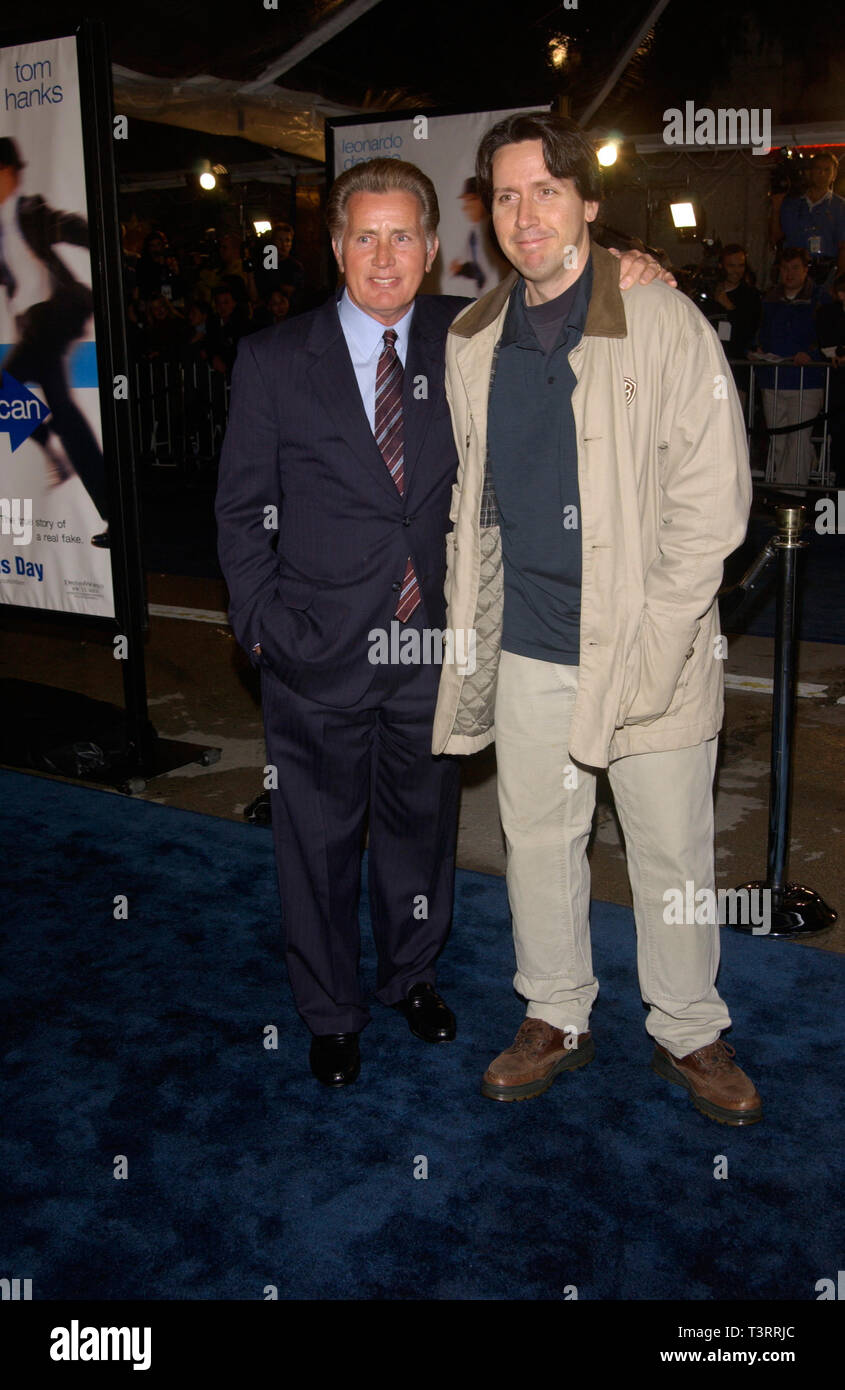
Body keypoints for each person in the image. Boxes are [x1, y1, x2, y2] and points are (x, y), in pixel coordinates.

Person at [215, 155, 672, 1089]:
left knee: (422, 831)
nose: (383, 257)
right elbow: (237, 509)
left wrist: (634, 264)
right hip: (314, 652)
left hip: (434, 645)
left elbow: (566, 284)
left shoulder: (471, 336)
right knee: (316, 844)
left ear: (433, 250)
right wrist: (261, 628)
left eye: (402, 237)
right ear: (336, 246)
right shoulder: (270, 360)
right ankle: (330, 1009)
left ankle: (410, 977)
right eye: (363, 237)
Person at [432, 112, 760, 1126]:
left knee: (669, 851)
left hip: (645, 647)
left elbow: (712, 502)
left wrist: (659, 640)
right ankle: (555, 1013)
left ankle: (687, 1025)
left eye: (545, 190)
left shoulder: (661, 322)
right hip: (528, 643)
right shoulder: (470, 337)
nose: (526, 215)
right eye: (506, 196)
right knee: (537, 838)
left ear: (585, 201)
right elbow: (474, 502)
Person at [0, 136, 109, 546]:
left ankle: (61, 462)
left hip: (58, 314)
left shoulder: (31, 212)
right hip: (35, 325)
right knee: (62, 413)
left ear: (12, 174)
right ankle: (63, 463)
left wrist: (109, 244)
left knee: (58, 410)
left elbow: (75, 227)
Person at [755, 246, 830, 487]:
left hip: (805, 381)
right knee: (778, 440)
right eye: (785, 268)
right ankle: (780, 487)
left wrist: (811, 354)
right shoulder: (769, 299)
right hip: (773, 377)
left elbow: (829, 336)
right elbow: (759, 332)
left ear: (805, 270)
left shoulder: (820, 299)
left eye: (795, 268)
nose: (789, 273)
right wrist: (757, 349)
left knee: (798, 440)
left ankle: (792, 496)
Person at [770, 151, 845, 280]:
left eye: (827, 170)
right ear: (810, 172)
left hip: (825, 270)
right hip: (792, 271)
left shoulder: (840, 206)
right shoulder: (791, 203)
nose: (822, 174)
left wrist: (839, 278)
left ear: (834, 175)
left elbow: (843, 246)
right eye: (818, 169)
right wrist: (776, 210)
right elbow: (775, 239)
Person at [816, 271, 845, 480]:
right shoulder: (829, 313)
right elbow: (826, 343)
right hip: (839, 387)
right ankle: (840, 505)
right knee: (840, 441)